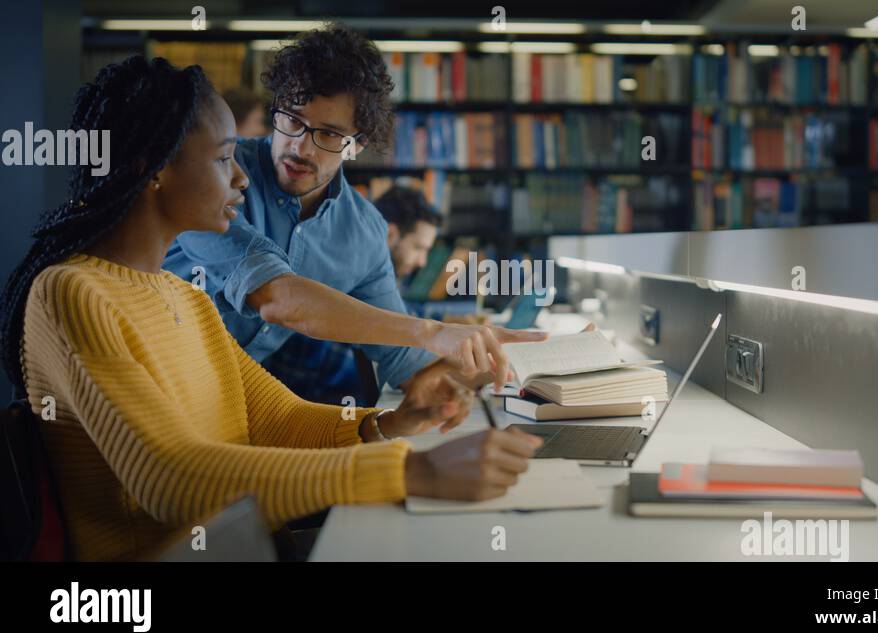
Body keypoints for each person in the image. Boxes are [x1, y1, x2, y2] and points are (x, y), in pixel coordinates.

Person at [0, 57, 540, 562]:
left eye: (328, 134)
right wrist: (410, 471)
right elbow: (173, 481)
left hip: (246, 544)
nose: (240, 176)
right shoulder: (71, 293)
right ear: (153, 167)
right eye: (221, 158)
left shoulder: (183, 294)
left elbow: (278, 418)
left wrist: (388, 423)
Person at [162, 23, 544, 433]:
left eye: (328, 134)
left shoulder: (364, 231)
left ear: (357, 145)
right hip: (147, 389)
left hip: (225, 413)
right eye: (292, 120)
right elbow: (274, 295)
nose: (300, 147)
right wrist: (432, 332)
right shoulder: (217, 174)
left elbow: (405, 361)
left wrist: (524, 363)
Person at [264, 184, 444, 404]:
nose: (422, 262)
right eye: (418, 248)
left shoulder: (362, 274)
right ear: (391, 234)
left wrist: (441, 322)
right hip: (305, 407)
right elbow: (342, 370)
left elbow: (391, 312)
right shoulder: (343, 273)